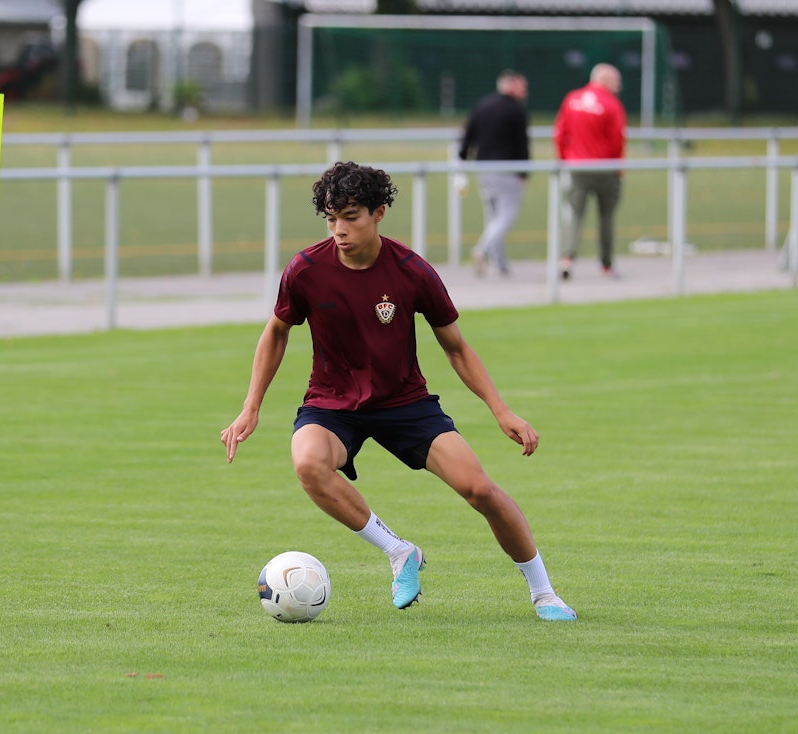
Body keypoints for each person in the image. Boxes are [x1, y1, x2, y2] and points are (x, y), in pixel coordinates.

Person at [220, 161, 576, 622]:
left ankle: (544, 593)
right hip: (332, 404)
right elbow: (276, 332)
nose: (339, 230)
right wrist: (251, 407)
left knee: (480, 490)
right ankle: (399, 551)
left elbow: (456, 348)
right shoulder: (305, 270)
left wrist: (500, 410)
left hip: (405, 403)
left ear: (379, 213)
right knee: (308, 463)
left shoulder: (412, 271)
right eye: (331, 219)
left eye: (351, 217)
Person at [553, 62, 627, 280]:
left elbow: (559, 133)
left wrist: (565, 160)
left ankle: (567, 259)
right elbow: (617, 140)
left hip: (577, 168)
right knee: (606, 218)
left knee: (575, 215)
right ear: (604, 80)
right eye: (616, 81)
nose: (619, 86)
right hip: (605, 169)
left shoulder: (572, 99)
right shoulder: (612, 104)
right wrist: (617, 166)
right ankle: (606, 265)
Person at [457, 70, 530, 277]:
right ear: (511, 85)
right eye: (522, 86)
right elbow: (522, 143)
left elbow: (468, 134)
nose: (525, 91)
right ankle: (483, 249)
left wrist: (463, 156)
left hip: (483, 167)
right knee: (506, 215)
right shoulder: (516, 110)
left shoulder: (483, 105)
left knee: (493, 215)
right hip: (507, 169)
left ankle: (499, 261)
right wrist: (524, 171)